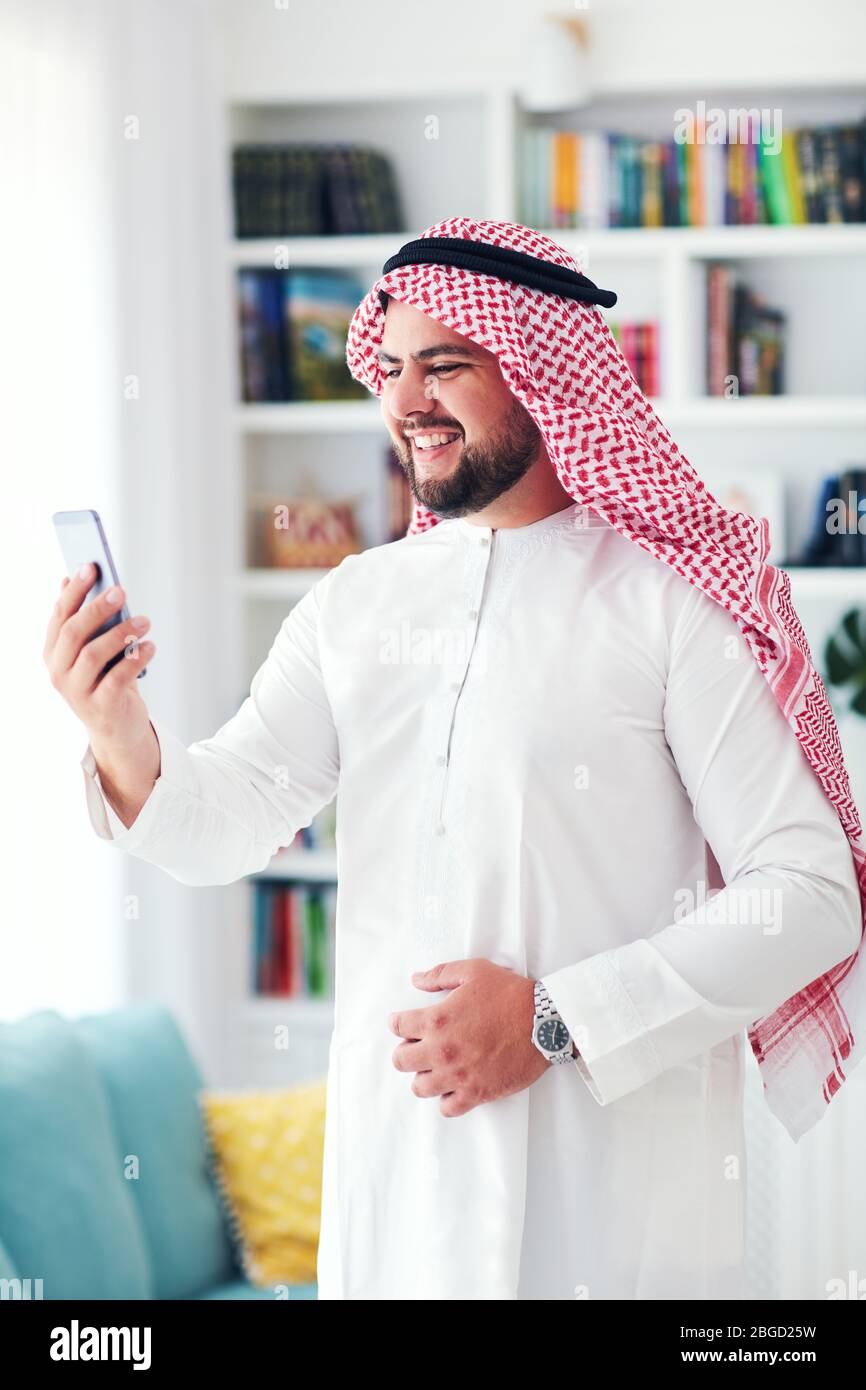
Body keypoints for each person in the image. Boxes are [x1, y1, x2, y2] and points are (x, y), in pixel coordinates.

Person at [44, 218, 864, 1301]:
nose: (405, 403)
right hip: (400, 1200)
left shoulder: (667, 607)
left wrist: (552, 1019)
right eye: (389, 368)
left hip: (607, 1205)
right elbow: (218, 821)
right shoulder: (353, 603)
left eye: (444, 365)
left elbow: (806, 898)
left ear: (540, 370)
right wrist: (114, 728)